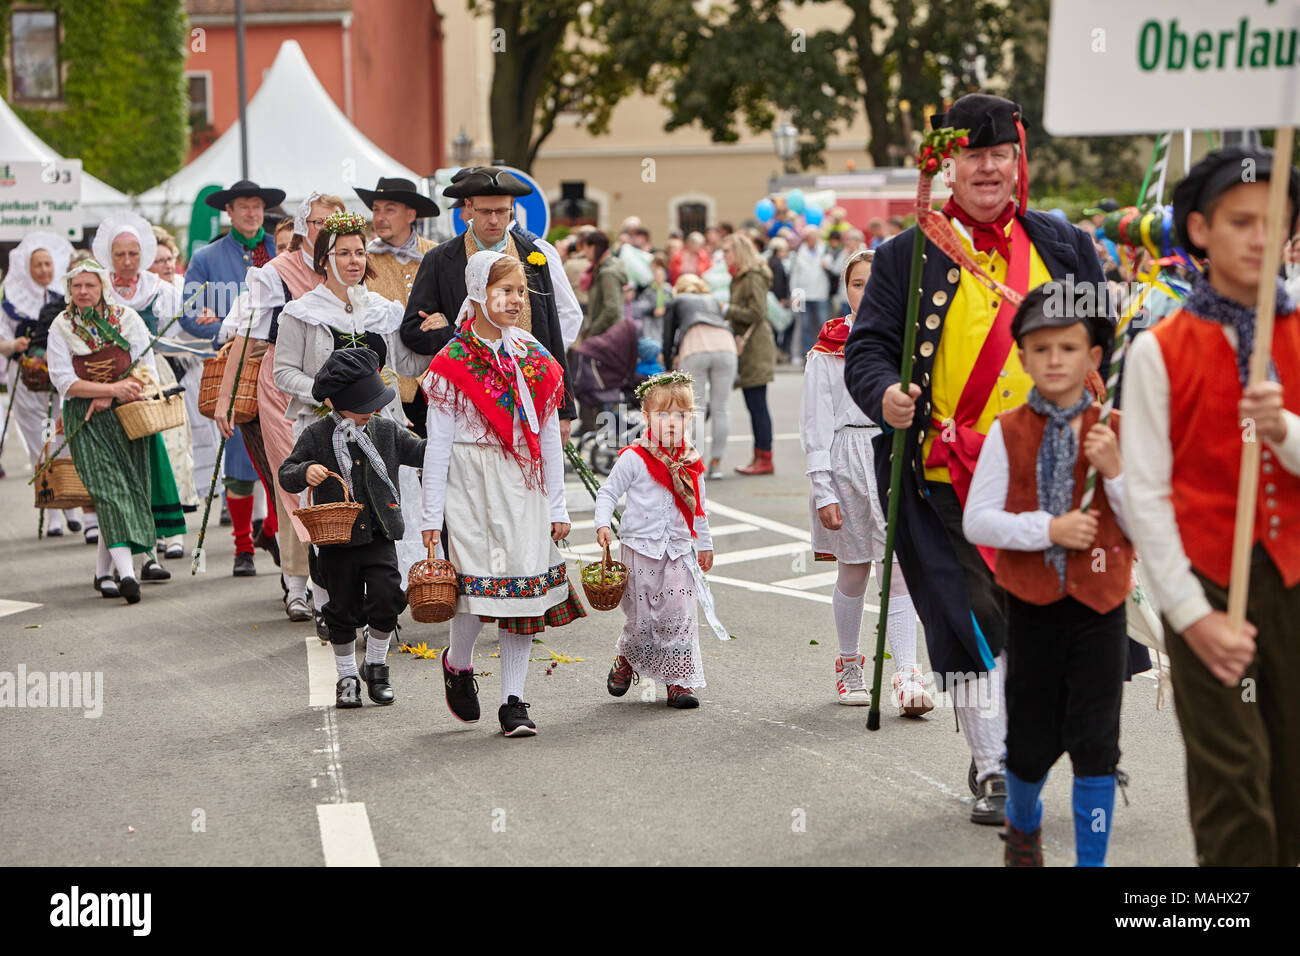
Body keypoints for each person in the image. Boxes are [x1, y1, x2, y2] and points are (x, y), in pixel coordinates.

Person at [844, 93, 1119, 826]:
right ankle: (993, 765)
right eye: (975, 156)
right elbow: (868, 347)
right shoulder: (906, 256)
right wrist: (886, 395)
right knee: (968, 620)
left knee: (1055, 615)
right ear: (948, 166)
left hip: (1054, 469)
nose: (990, 168)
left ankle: (1065, 740)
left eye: (1002, 155)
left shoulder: (1063, 244)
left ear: (1017, 161)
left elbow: (1102, 342)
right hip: (942, 470)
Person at [1123, 145, 1300, 867]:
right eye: (1239, 221)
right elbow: (1146, 496)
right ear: (1199, 230)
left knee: (1291, 785)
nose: (1260, 238)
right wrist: (1192, 618)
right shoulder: (1158, 351)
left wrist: (1285, 428)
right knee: (1234, 792)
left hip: (1293, 581)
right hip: (1208, 587)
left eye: (1275, 221)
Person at [963, 284, 1130, 866]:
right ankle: (1023, 831)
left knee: (1095, 743)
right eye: (1041, 348)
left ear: (1093, 358)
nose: (1055, 359)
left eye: (1068, 346)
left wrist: (1114, 473)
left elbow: (1148, 523)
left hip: (1101, 610)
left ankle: (1092, 861)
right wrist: (1047, 530)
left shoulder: (1116, 429)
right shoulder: (1008, 431)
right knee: (1030, 743)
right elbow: (978, 521)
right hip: (1031, 607)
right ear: (1024, 357)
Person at [420, 251, 585, 738]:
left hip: (524, 486)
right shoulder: (452, 363)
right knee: (474, 590)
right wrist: (431, 517)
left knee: (524, 591)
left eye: (519, 292)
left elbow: (550, 435)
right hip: (470, 488)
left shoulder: (532, 354)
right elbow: (439, 447)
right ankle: (459, 662)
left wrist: (557, 502)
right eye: (504, 291)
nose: (515, 300)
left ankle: (513, 700)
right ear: (478, 294)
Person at [272, 210, 428, 614]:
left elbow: (407, 366)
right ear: (325, 259)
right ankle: (330, 606)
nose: (355, 260)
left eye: (360, 252)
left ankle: (383, 607)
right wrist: (324, 395)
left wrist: (440, 333)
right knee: (333, 518)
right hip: (324, 431)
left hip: (379, 427)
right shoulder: (301, 312)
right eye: (344, 253)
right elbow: (283, 372)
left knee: (383, 511)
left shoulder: (382, 309)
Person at [802, 249, 931, 712]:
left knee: (897, 568)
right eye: (857, 283)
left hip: (895, 454)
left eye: (876, 282)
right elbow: (814, 423)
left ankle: (906, 672)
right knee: (854, 569)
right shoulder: (828, 347)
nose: (867, 291)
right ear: (846, 289)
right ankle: (849, 663)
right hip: (847, 459)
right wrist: (823, 487)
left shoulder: (911, 338)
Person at [221, 193, 345, 623]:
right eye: (320, 223)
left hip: (338, 385)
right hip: (283, 387)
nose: (327, 230)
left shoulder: (345, 264)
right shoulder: (276, 272)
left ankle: (330, 587)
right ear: (302, 227)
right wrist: (225, 399)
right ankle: (298, 586)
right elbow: (246, 335)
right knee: (294, 480)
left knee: (337, 482)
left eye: (335, 222)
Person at [279, 348, 425, 709]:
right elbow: (287, 472)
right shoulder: (316, 435)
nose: (373, 410)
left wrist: (450, 439)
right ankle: (346, 675)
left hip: (379, 535)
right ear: (339, 402)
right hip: (336, 541)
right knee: (341, 609)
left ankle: (376, 664)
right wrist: (305, 471)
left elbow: (421, 452)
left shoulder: (386, 430)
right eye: (365, 403)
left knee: (388, 596)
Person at [400, 166, 578, 443]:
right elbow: (412, 331)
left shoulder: (533, 254)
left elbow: (551, 331)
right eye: (485, 211)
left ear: (512, 209)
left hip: (530, 395)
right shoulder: (440, 258)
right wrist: (456, 332)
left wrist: (563, 409)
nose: (494, 220)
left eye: (502, 211)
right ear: (468, 207)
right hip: (467, 401)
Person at [182, 179, 286, 578]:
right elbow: (189, 313)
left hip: (277, 364)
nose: (251, 213)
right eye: (243, 207)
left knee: (282, 455)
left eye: (257, 206)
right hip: (233, 368)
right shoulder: (206, 257)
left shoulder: (279, 250)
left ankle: (271, 530)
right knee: (241, 460)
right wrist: (219, 331)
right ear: (229, 212)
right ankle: (243, 545)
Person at [595, 371, 715, 709]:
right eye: (663, 416)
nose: (673, 423)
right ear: (647, 418)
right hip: (639, 549)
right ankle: (627, 659)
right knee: (643, 619)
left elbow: (699, 509)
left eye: (680, 415)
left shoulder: (691, 463)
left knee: (679, 613)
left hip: (678, 549)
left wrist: (704, 544)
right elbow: (608, 493)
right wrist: (603, 523)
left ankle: (677, 682)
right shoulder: (635, 458)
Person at [44, 261, 160, 603]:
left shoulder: (127, 319)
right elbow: (63, 380)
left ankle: (101, 573)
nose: (83, 292)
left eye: (89, 285)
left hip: (127, 413)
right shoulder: (61, 326)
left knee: (126, 488)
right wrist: (105, 392)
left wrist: (116, 394)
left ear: (102, 287)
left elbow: (146, 367)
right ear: (70, 289)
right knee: (107, 490)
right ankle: (126, 574)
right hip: (85, 417)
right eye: (77, 286)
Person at [91, 214, 187, 575]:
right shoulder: (97, 290)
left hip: (145, 383)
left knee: (147, 467)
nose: (128, 261)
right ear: (109, 256)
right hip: (104, 387)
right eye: (120, 254)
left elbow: (181, 332)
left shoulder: (157, 290)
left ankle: (147, 555)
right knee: (114, 477)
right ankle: (115, 565)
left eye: (134, 253)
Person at [1, 231, 83, 537]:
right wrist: (13, 344)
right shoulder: (11, 299)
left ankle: (71, 504)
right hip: (25, 379)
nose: (44, 271)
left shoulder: (67, 295)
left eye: (48, 264)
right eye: (38, 265)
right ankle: (52, 514)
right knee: (38, 443)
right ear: (27, 268)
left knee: (63, 438)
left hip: (59, 378)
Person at [356, 176, 439, 434]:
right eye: (376, 210)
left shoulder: (437, 255)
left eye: (389, 209)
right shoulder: (361, 260)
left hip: (436, 383)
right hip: (384, 388)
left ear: (411, 214)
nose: (380, 217)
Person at [662, 274, 736, 479]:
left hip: (695, 347)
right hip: (725, 345)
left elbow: (667, 336)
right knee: (721, 407)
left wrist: (668, 366)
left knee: (697, 407)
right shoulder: (712, 300)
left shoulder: (676, 301)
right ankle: (717, 463)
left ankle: (695, 460)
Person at [724, 233, 776, 476]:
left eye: (727, 251)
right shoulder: (742, 276)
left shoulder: (752, 276)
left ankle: (764, 458)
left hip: (755, 345)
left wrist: (727, 309)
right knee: (754, 404)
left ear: (739, 252)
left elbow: (757, 311)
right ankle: (759, 457)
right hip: (750, 345)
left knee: (757, 404)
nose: (724, 255)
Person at [788, 225, 833, 359]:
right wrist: (794, 295)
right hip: (802, 294)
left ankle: (823, 352)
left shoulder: (825, 251)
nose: (812, 240)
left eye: (814, 237)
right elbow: (794, 275)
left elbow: (833, 269)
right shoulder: (798, 252)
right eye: (809, 237)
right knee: (804, 326)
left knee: (822, 323)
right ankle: (806, 354)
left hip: (820, 293)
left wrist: (827, 265)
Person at [580, 230, 627, 342]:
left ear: (592, 248)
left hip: (608, 336)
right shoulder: (600, 268)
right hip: (607, 334)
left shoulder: (607, 273)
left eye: (585, 248)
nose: (584, 252)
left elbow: (612, 308)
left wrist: (592, 331)